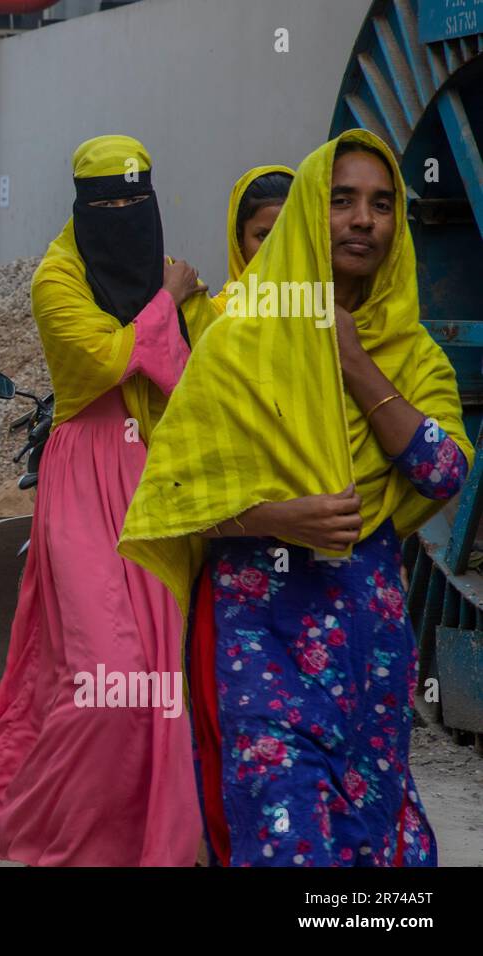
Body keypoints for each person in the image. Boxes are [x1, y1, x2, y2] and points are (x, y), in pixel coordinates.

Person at [119, 130, 473, 866]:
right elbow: (171, 499)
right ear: (313, 215)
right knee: (287, 841)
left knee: (373, 847)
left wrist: (351, 360)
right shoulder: (238, 344)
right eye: (341, 200)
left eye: (381, 205)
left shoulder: (411, 353)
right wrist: (277, 517)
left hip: (369, 652)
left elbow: (441, 472)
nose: (363, 219)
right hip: (263, 642)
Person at [0, 135, 216, 866]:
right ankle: (40, 825)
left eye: (138, 200)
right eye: (110, 204)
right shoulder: (55, 279)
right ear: (82, 207)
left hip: (157, 480)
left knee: (159, 677)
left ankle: (139, 839)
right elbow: (102, 361)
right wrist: (170, 300)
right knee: (108, 675)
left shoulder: (172, 286)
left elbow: (197, 378)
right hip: (84, 477)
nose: (126, 215)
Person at [210, 165, 294, 311]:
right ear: (239, 240)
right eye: (263, 236)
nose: (277, 248)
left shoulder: (329, 313)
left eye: (288, 234)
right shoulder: (215, 316)